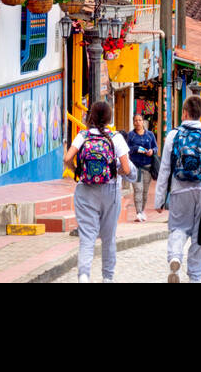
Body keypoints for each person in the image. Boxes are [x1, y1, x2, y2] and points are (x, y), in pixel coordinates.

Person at [63, 100, 133, 283]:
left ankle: (84, 275)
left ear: (91, 117)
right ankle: (107, 278)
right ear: (109, 117)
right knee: (108, 238)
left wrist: (76, 172)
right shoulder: (115, 137)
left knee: (87, 236)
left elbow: (67, 157)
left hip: (85, 190)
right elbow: (126, 168)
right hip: (110, 190)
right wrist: (112, 172)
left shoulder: (83, 135)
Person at [156, 95, 201, 283]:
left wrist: (160, 199)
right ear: (200, 114)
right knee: (199, 234)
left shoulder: (173, 135)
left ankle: (175, 257)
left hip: (179, 191)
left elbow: (165, 170)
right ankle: (195, 276)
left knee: (177, 228)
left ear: (184, 113)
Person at [124, 113, 158, 222]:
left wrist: (152, 151)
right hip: (136, 167)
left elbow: (156, 147)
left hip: (147, 167)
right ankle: (138, 213)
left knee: (145, 191)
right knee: (138, 189)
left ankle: (142, 211)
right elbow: (126, 149)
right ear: (133, 122)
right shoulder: (131, 135)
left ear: (143, 122)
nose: (138, 122)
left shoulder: (150, 135)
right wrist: (136, 148)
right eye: (136, 120)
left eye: (140, 120)